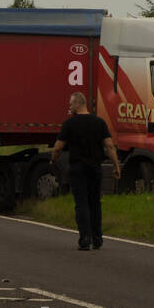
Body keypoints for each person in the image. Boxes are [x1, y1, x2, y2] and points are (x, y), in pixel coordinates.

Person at [50, 92, 121, 251]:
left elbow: (58, 147)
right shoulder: (99, 123)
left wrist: (53, 160)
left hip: (77, 169)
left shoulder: (69, 124)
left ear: (78, 104)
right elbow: (109, 146)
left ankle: (85, 239)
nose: (69, 107)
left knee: (81, 203)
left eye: (71, 104)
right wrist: (116, 166)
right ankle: (97, 239)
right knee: (95, 203)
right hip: (95, 168)